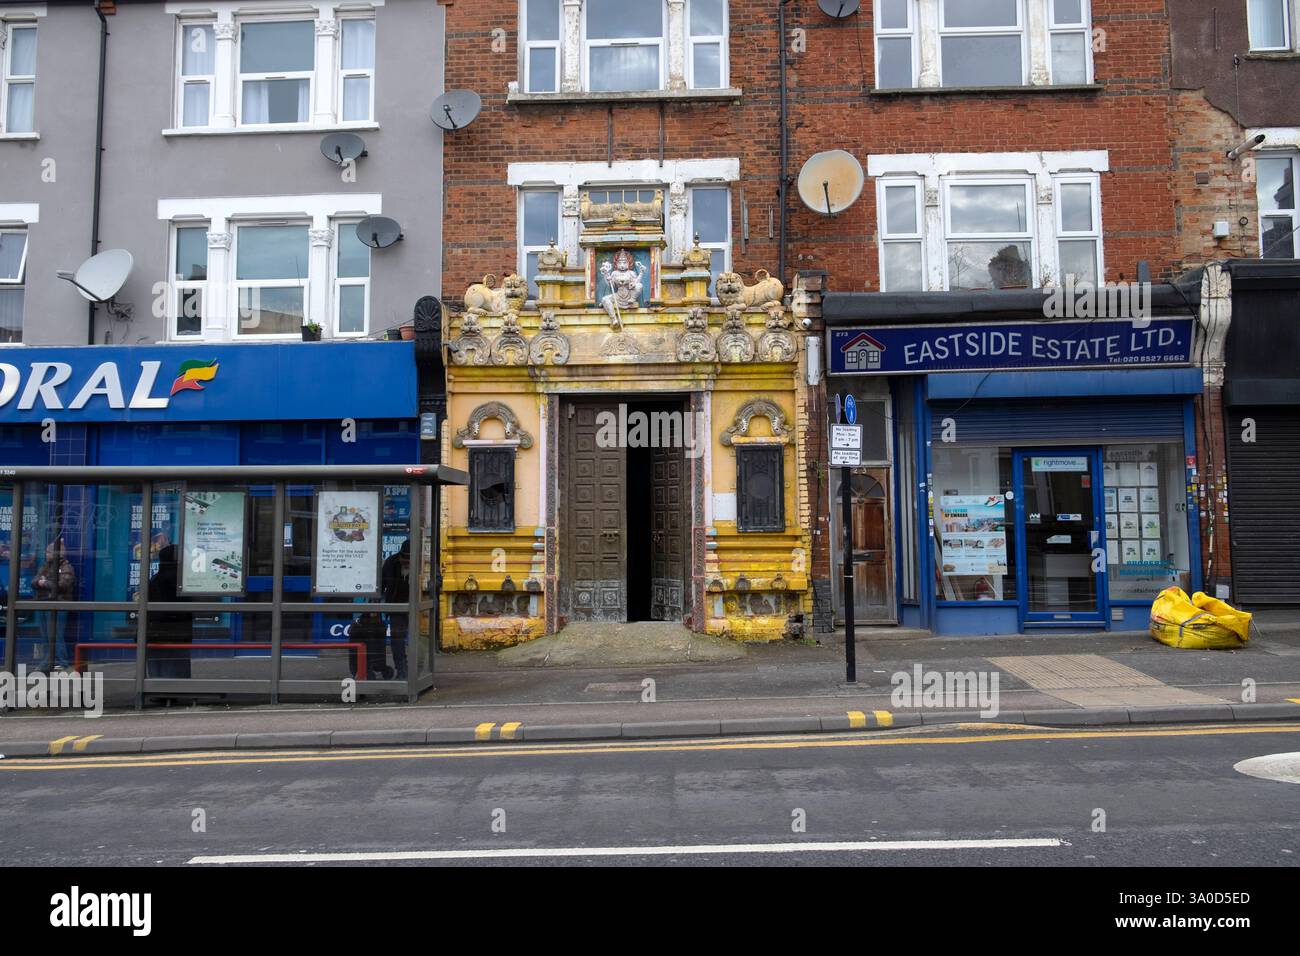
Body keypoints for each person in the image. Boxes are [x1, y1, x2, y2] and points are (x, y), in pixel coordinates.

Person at [147, 545, 193, 680]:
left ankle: (158, 691)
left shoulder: (156, 579)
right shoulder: (178, 581)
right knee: (175, 662)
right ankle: (171, 692)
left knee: (159, 664)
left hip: (156, 631)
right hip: (175, 630)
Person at [32, 538, 76, 670]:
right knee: (45, 635)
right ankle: (48, 660)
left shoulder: (66, 567)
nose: (46, 554)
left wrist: (45, 582)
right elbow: (34, 582)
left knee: (56, 634)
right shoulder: (45, 566)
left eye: (48, 552)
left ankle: (62, 662)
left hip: (58, 604)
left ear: (56, 553)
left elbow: (62, 585)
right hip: (43, 603)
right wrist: (45, 582)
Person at [380, 539, 411, 680]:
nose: (405, 561)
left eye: (409, 559)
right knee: (397, 640)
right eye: (403, 557)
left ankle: (417, 670)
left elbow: (437, 581)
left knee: (421, 641)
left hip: (419, 607)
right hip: (397, 606)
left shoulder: (425, 563)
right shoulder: (391, 562)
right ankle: (402, 670)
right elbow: (381, 584)